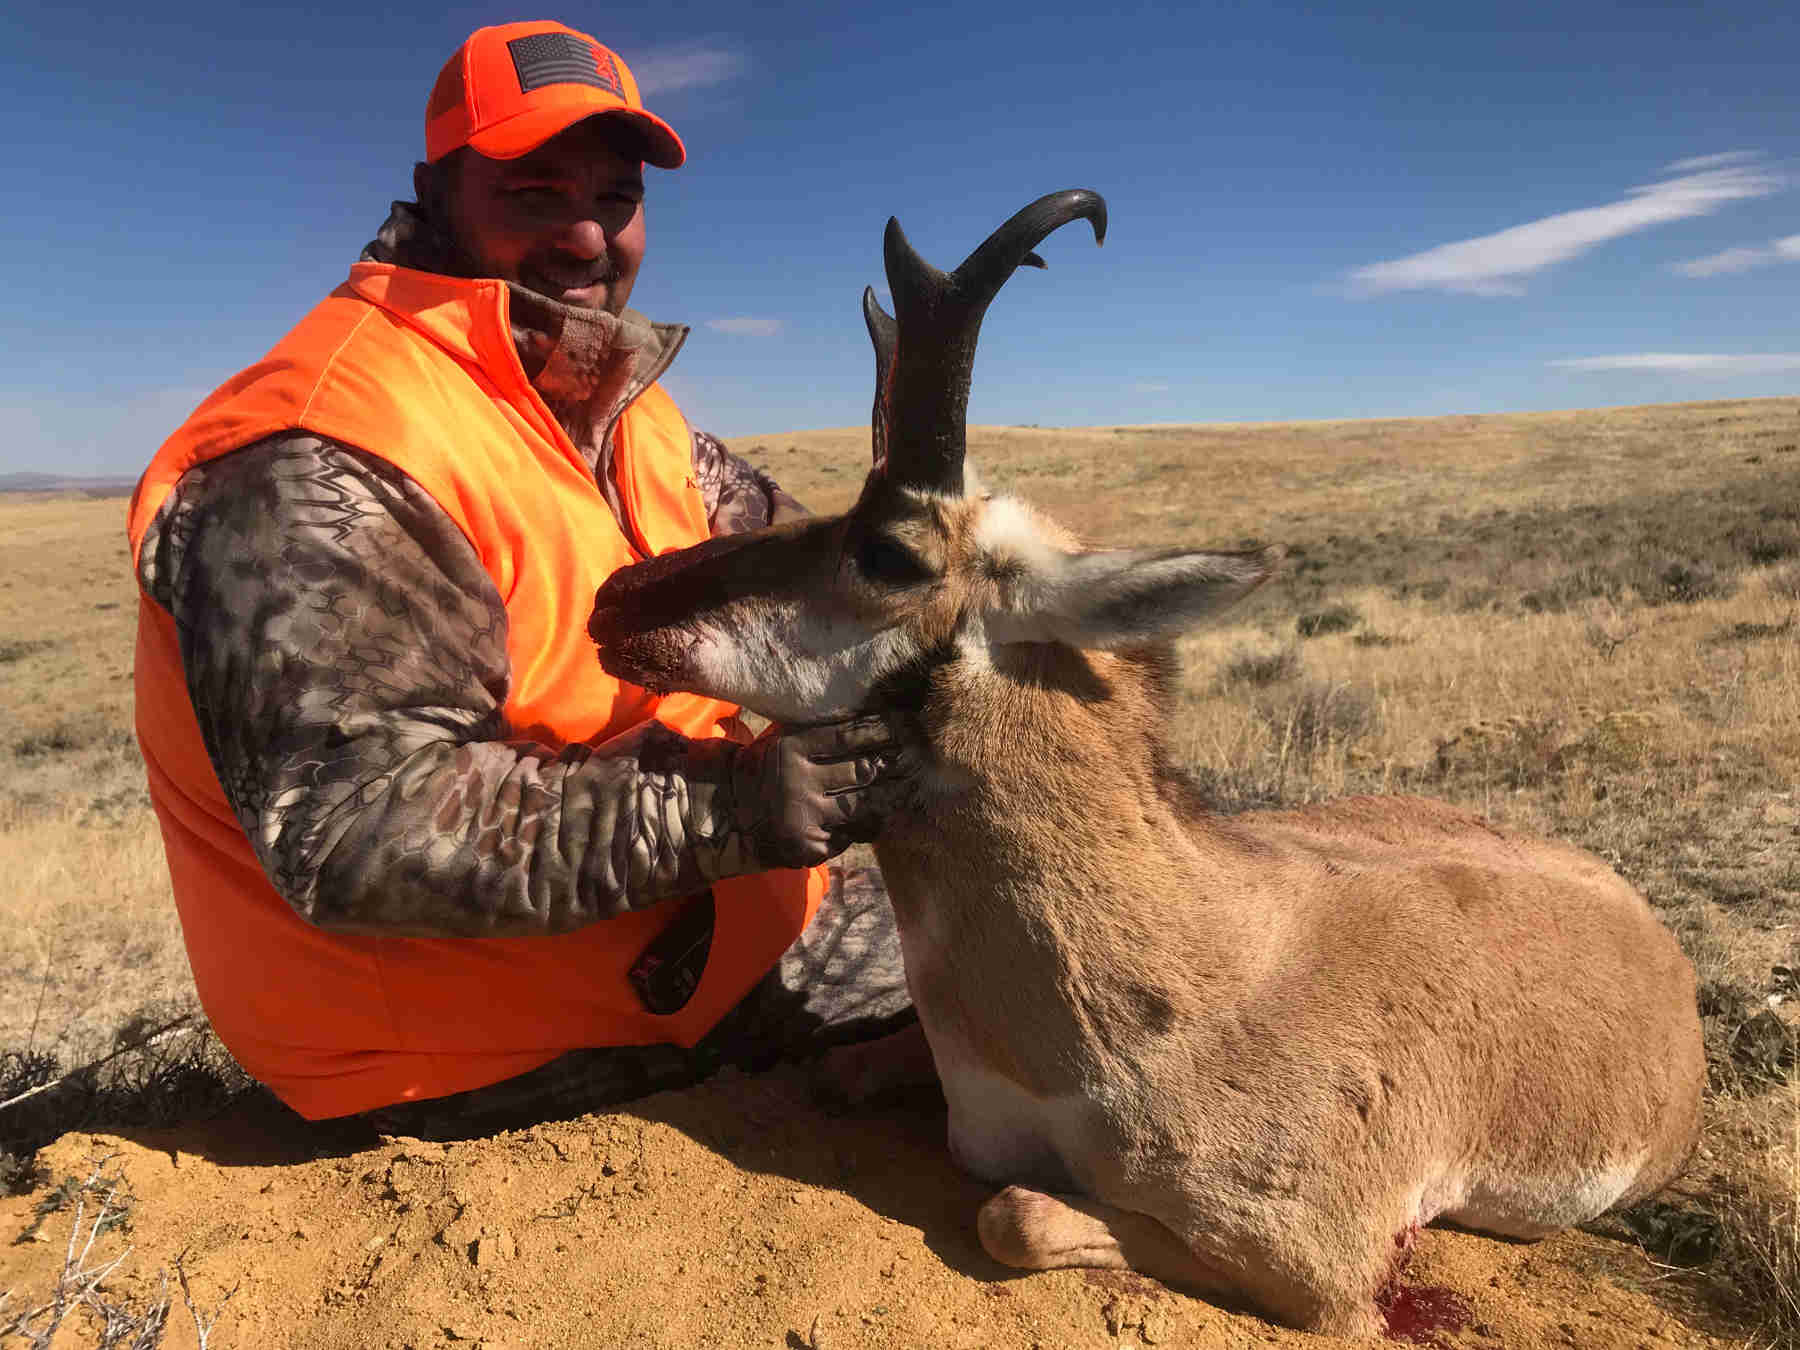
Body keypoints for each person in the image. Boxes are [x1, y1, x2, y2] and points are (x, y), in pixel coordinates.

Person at [126, 20, 917, 1140]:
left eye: (616, 195)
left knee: (1049, 945)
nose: (588, 234)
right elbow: (356, 826)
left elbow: (805, 564)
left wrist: (963, 583)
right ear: (434, 193)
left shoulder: (611, 404)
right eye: (536, 191)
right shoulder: (320, 450)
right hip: (478, 1043)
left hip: (717, 934)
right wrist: (732, 807)